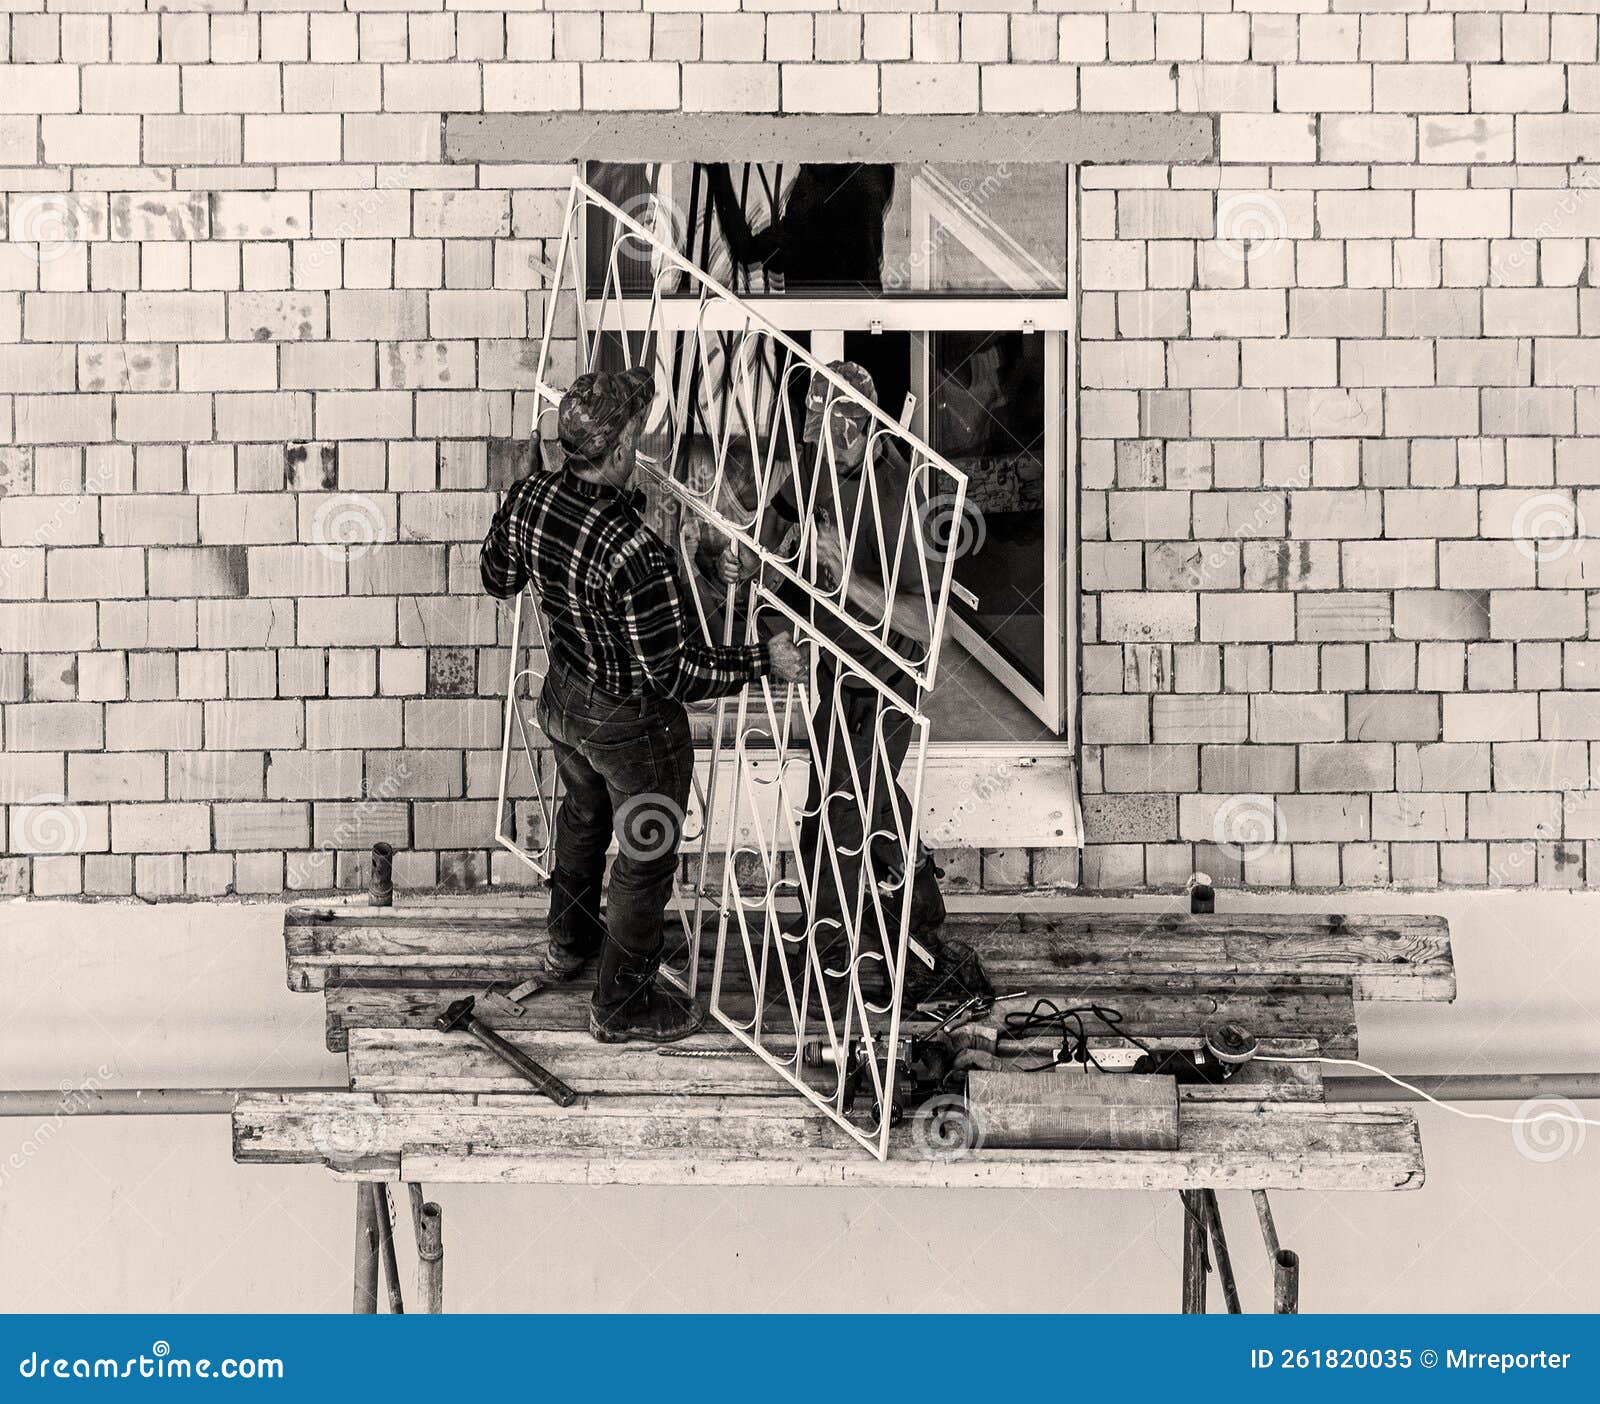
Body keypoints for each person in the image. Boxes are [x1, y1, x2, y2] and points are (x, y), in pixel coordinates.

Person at [481, 369, 808, 1044]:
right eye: (637, 425)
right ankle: (619, 1006)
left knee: (582, 817)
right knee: (644, 856)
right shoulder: (638, 557)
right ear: (624, 441)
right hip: (631, 726)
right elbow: (677, 674)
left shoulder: (532, 496)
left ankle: (568, 947)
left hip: (566, 701)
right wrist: (762, 662)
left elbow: (498, 578)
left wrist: (513, 516)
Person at [719, 362, 993, 1014]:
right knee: (850, 801)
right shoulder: (817, 461)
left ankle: (838, 957)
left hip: (887, 679)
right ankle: (917, 927)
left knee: (846, 807)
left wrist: (849, 575)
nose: (820, 446)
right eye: (815, 432)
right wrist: (752, 556)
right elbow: (783, 526)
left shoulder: (900, 495)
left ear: (865, 430)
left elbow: (931, 625)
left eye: (834, 434)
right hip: (837, 668)